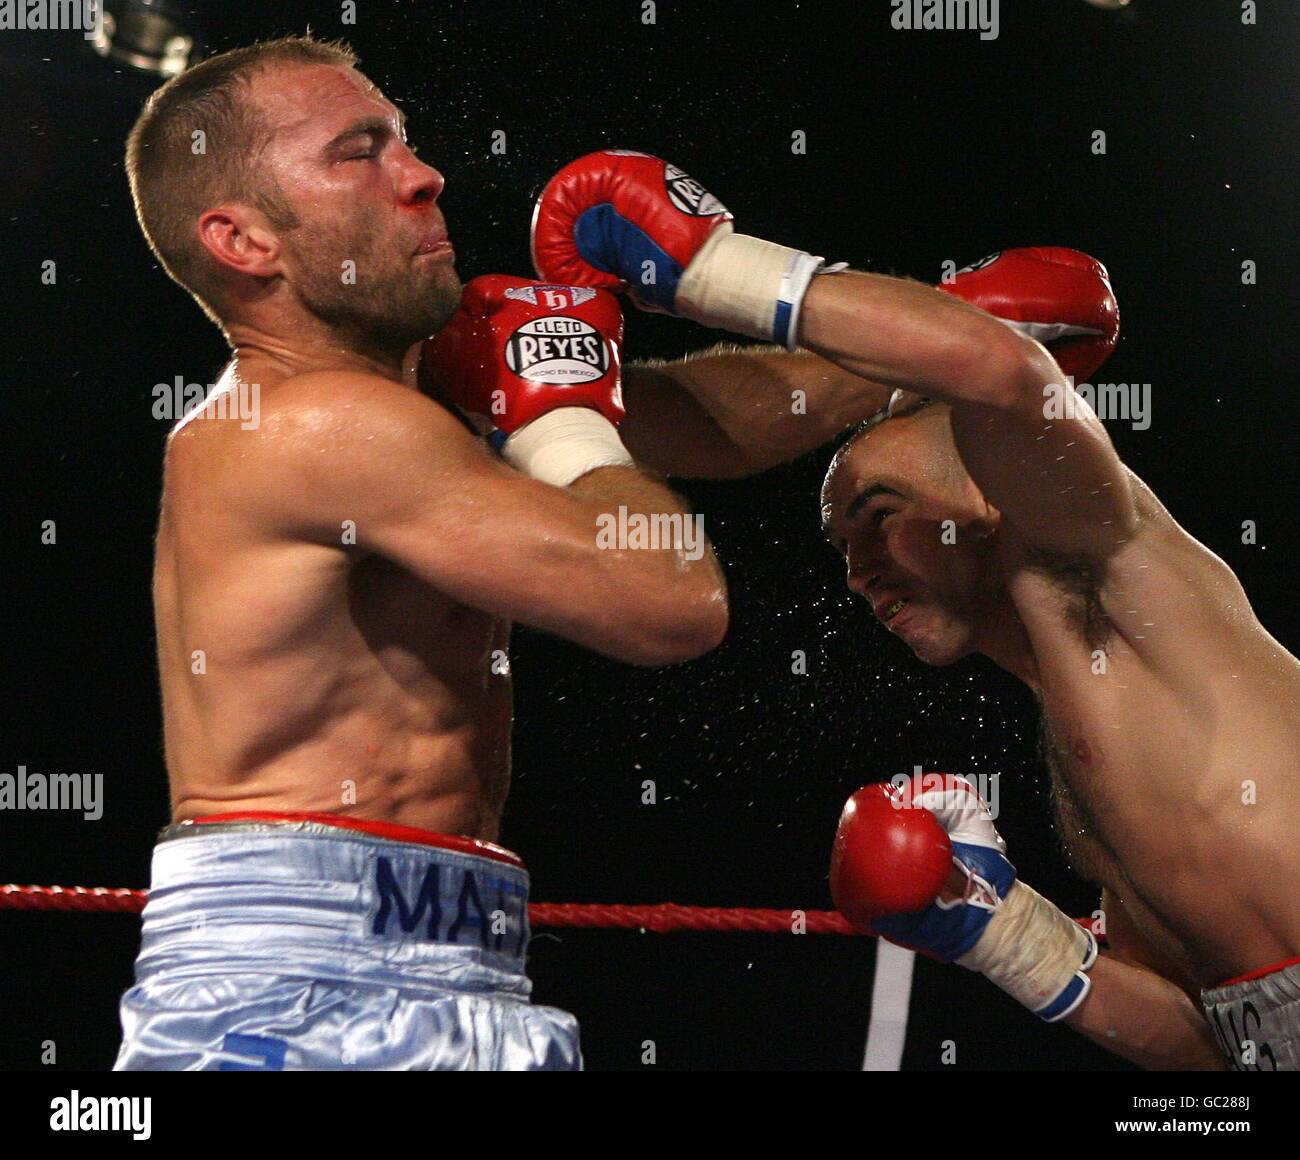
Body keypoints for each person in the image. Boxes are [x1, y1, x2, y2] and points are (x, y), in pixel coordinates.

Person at [532, 149, 1300, 1070]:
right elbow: (1211, 1053)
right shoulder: (1085, 758)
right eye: (843, 551)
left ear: (989, 489)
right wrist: (998, 929)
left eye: (878, 517)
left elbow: (1002, 376)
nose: (857, 574)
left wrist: (710, 268)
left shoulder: (1118, 569)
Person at [115, 40, 727, 1070]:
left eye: (404, 140)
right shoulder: (318, 424)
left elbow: (703, 425)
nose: (424, 174)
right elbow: (669, 597)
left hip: (467, 962)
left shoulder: (411, 416)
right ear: (244, 239)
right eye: (360, 152)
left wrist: (931, 349)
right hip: (299, 989)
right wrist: (565, 408)